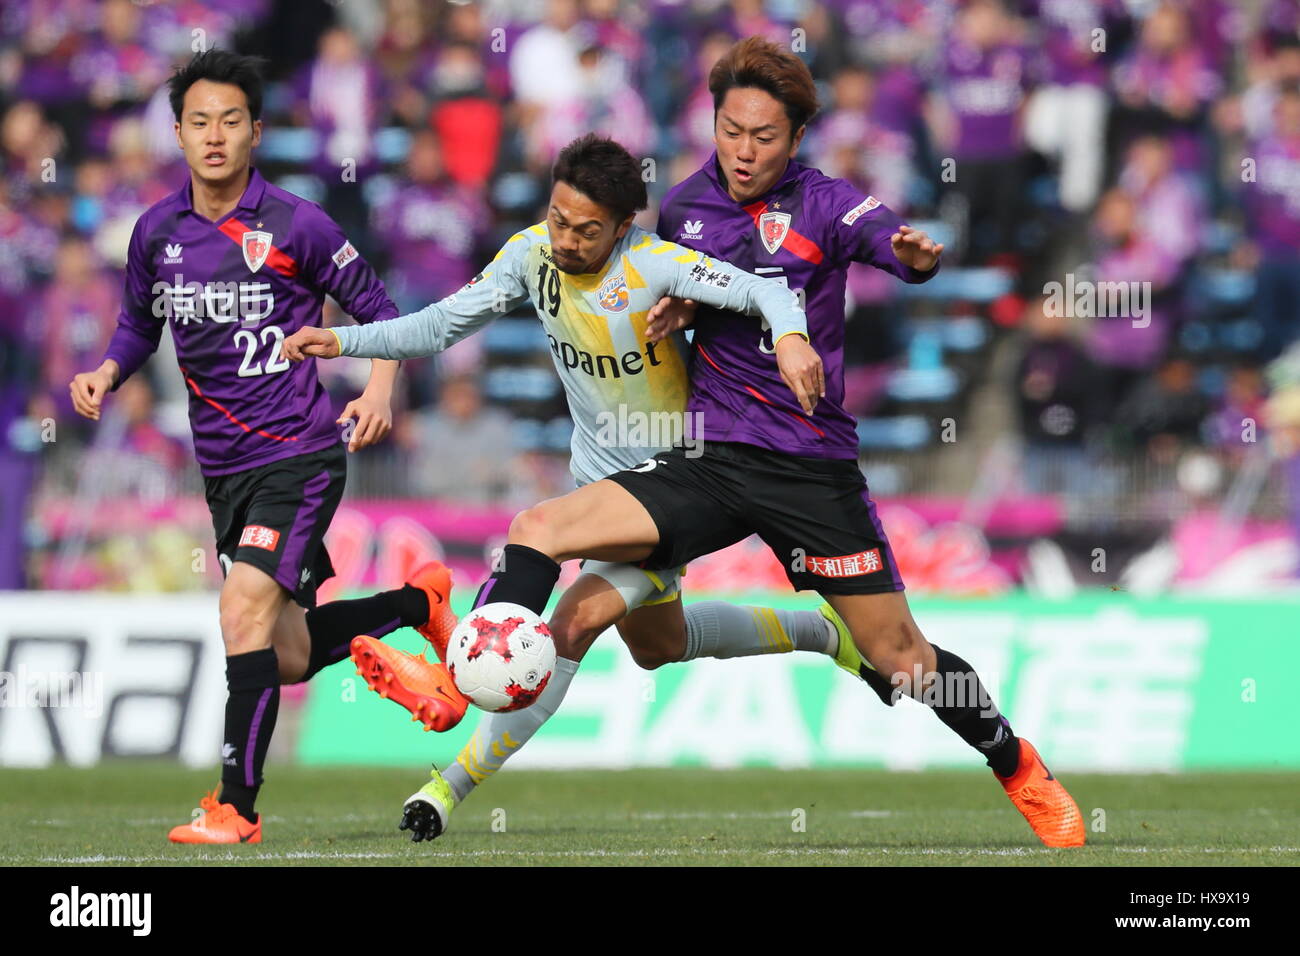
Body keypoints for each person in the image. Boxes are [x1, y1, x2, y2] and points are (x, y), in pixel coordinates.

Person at [443, 36, 1085, 848]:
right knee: (539, 528)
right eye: (730, 129)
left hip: (809, 467)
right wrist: (676, 310)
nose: (744, 151)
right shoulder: (680, 207)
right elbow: (665, 282)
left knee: (902, 659)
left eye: (765, 137)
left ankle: (1015, 761)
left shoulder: (823, 203)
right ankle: (469, 665)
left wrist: (913, 258)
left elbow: (885, 237)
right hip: (709, 457)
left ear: (796, 139)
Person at [283, 133, 867, 842]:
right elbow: (439, 327)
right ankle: (818, 629)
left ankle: (451, 756)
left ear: (623, 227)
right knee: (658, 644)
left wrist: (789, 338)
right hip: (599, 486)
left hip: (673, 489)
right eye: (559, 218)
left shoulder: (655, 265)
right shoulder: (531, 255)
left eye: (586, 230)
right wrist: (345, 342)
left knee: (564, 618)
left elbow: (765, 289)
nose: (566, 238)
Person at [68, 49, 459, 845]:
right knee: (278, 653)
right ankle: (420, 603)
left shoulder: (296, 223)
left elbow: (381, 311)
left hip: (299, 455)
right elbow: (142, 321)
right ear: (177, 133)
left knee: (239, 609)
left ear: (256, 132)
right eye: (200, 122)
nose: (215, 136)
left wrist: (378, 387)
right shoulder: (156, 233)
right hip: (224, 473)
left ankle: (234, 808)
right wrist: (108, 370)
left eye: (232, 121)